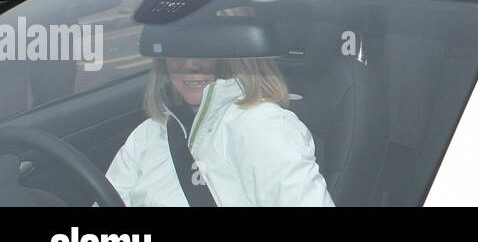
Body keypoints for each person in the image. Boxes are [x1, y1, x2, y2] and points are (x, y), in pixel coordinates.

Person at [106, 55, 333, 206]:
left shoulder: (261, 125)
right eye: (178, 47)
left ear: (236, 54)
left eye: (203, 48)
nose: (189, 64)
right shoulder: (148, 134)